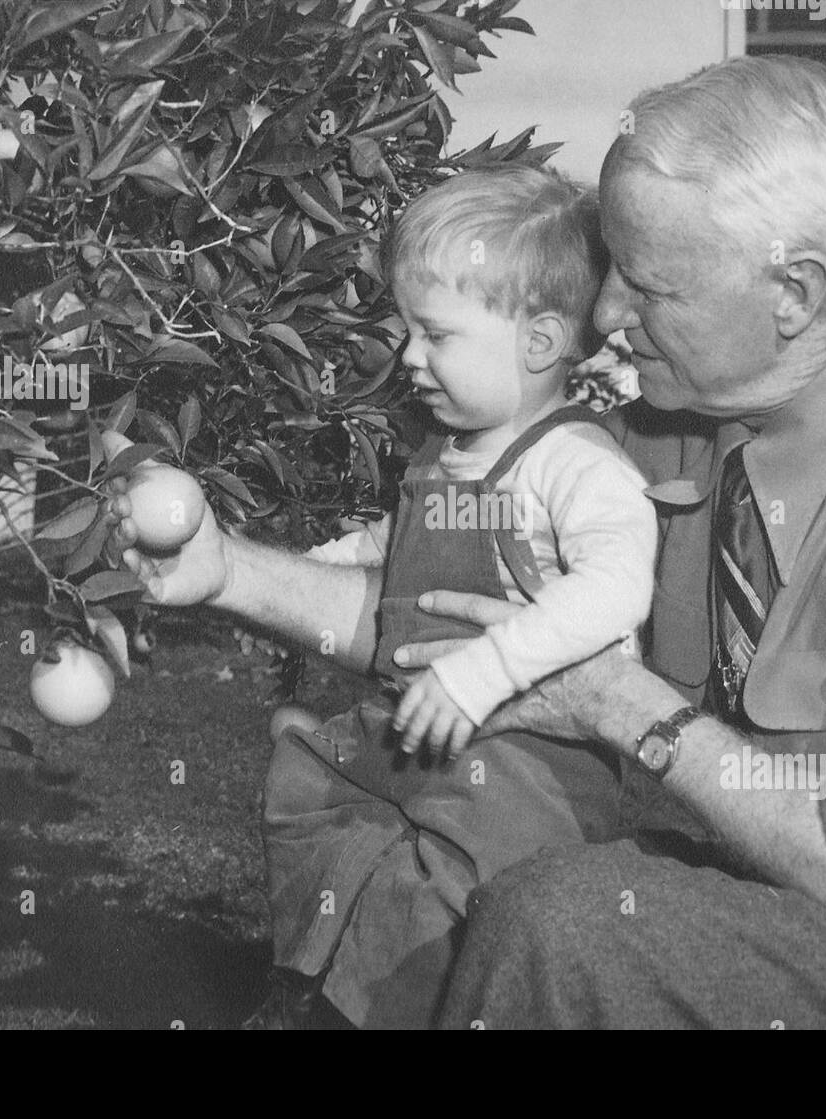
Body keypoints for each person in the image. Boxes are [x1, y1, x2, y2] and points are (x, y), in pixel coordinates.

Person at [112, 54, 826, 1029]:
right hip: (795, 902)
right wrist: (225, 573)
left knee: (574, 925)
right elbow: (445, 611)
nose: (604, 314)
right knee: (454, 847)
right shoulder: (666, 438)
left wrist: (621, 705)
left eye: (649, 285)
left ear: (795, 292)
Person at [116, 165, 657, 1028]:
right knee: (336, 828)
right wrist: (270, 576)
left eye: (435, 334)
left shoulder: (575, 463)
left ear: (541, 343)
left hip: (529, 774)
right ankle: (318, 991)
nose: (408, 358)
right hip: (424, 743)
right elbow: (388, 546)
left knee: (442, 920)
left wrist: (486, 671)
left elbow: (621, 586)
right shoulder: (448, 452)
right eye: (407, 330)